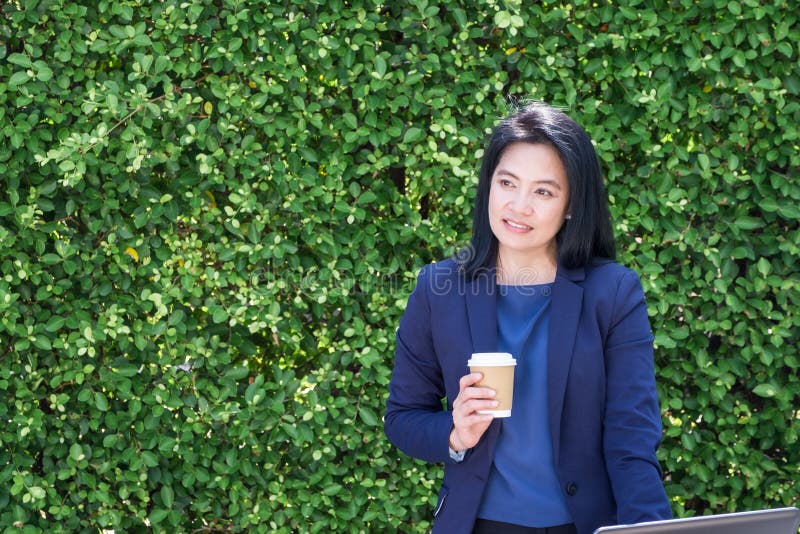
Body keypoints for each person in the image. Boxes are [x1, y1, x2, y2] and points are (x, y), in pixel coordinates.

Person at [384, 101, 672, 534]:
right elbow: (403, 418)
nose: (519, 206)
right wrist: (455, 433)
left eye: (543, 192)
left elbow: (632, 439)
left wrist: (650, 528)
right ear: (489, 185)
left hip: (583, 525)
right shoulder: (438, 288)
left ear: (571, 204)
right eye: (507, 183)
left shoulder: (612, 292)